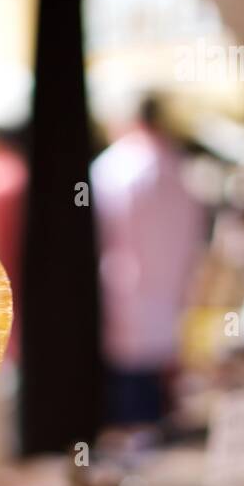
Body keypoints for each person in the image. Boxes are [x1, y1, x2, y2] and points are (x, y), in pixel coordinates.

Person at [91, 94, 204, 425]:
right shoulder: (181, 170)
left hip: (124, 317)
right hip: (165, 318)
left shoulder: (116, 168)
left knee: (128, 425)